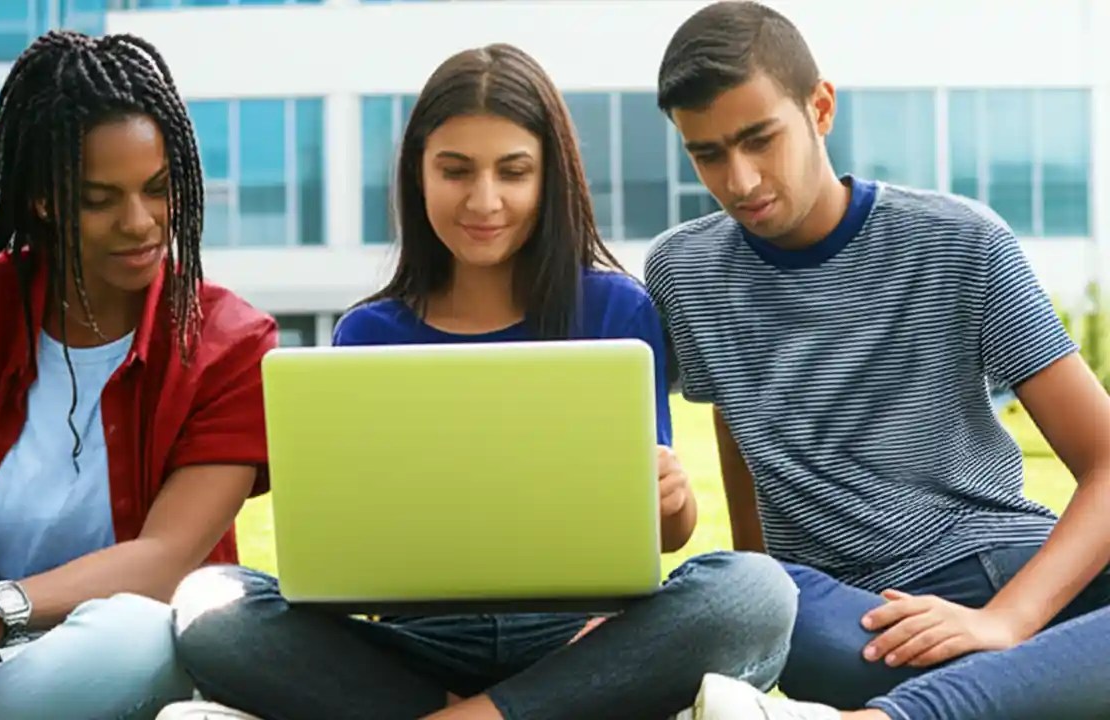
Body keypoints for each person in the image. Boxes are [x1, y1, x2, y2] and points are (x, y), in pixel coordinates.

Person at [160, 43, 797, 720]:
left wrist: (670, 500)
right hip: (415, 646)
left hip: (582, 642)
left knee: (756, 591)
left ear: (549, 178)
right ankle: (514, 712)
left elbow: (668, 538)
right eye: (456, 171)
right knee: (209, 606)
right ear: (418, 174)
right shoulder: (367, 334)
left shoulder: (615, 309)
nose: (484, 200)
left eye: (513, 172)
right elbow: (351, 569)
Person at [643, 2, 1110, 719]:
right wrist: (759, 596)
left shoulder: (964, 242)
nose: (738, 180)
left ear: (820, 108)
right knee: (757, 601)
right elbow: (735, 432)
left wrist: (1005, 621)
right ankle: (1027, 686)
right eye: (707, 154)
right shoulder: (684, 271)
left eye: (759, 139)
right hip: (847, 614)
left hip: (1004, 565)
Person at [0, 30, 278, 720]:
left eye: (159, 190)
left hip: (106, 652)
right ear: (43, 199)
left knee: (140, 631)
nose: (141, 223)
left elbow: (161, 561)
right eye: (101, 199)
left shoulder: (228, 344)